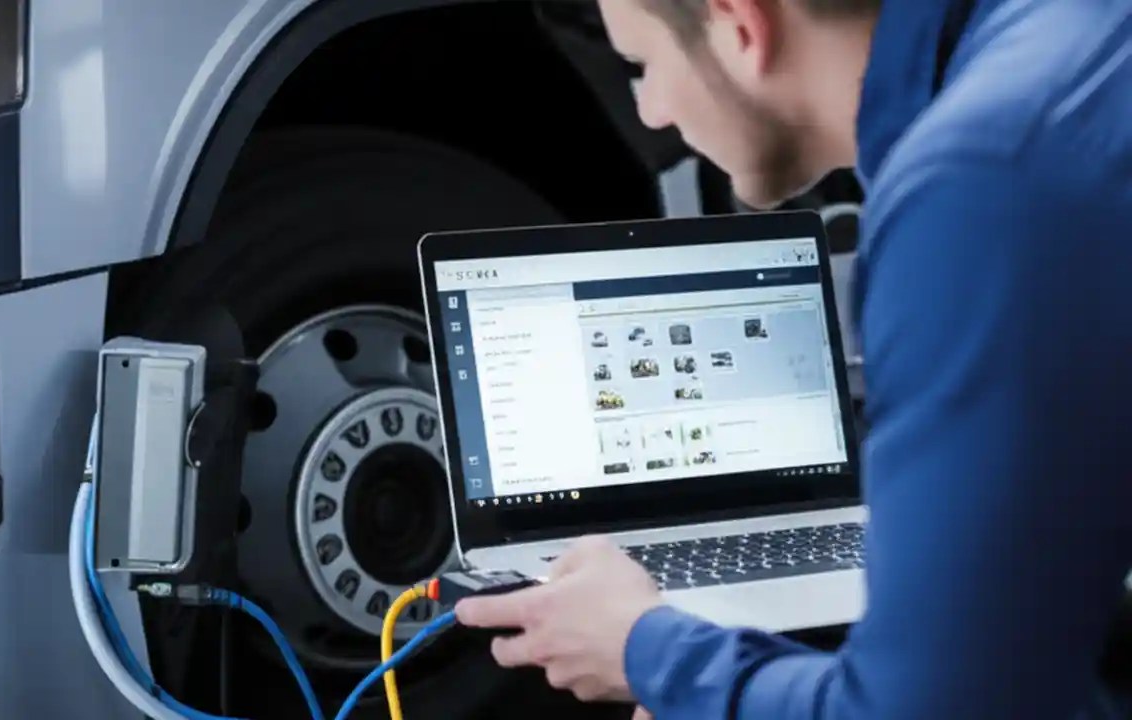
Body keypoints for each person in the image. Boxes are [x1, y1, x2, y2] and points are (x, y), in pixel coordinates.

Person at [454, 0, 1132, 718]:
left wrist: (645, 652)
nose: (650, 113)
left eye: (643, 67)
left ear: (742, 24)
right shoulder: (1073, 40)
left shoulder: (975, 190)